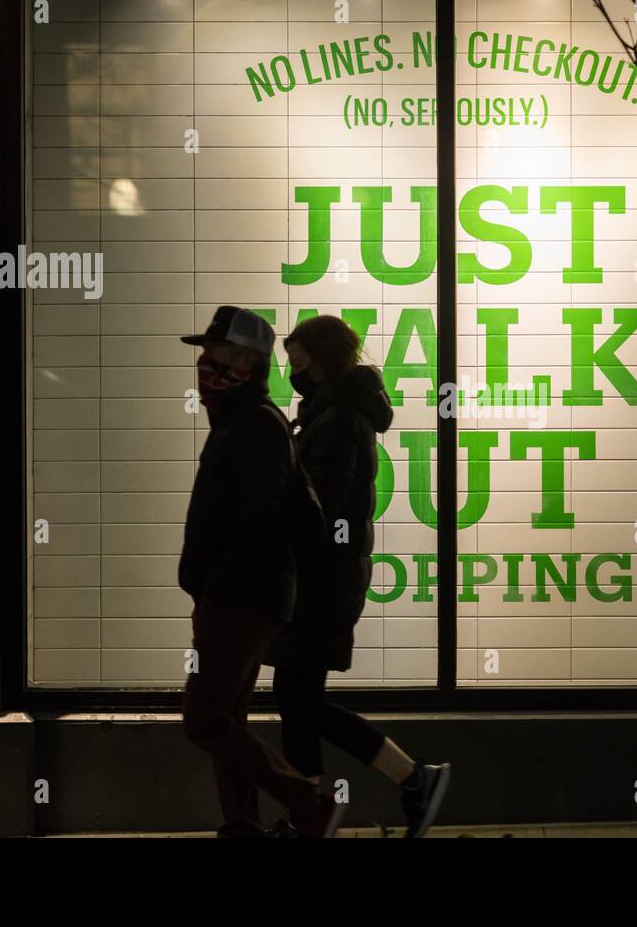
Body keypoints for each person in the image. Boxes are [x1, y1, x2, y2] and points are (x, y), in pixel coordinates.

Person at [266, 315, 451, 838]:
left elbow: (319, 508)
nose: (291, 374)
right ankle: (314, 814)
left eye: (298, 365)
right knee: (296, 697)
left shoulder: (339, 419)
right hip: (323, 578)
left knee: (298, 697)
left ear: (322, 364)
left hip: (322, 583)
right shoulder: (333, 414)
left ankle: (412, 778)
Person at [178, 305, 344, 839]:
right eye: (204, 355)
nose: (205, 365)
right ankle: (241, 827)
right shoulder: (240, 421)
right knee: (227, 718)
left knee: (203, 718)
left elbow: (263, 516)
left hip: (242, 599)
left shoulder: (254, 425)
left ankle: (308, 803)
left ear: (248, 361)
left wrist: (221, 585)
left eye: (217, 355)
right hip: (237, 595)